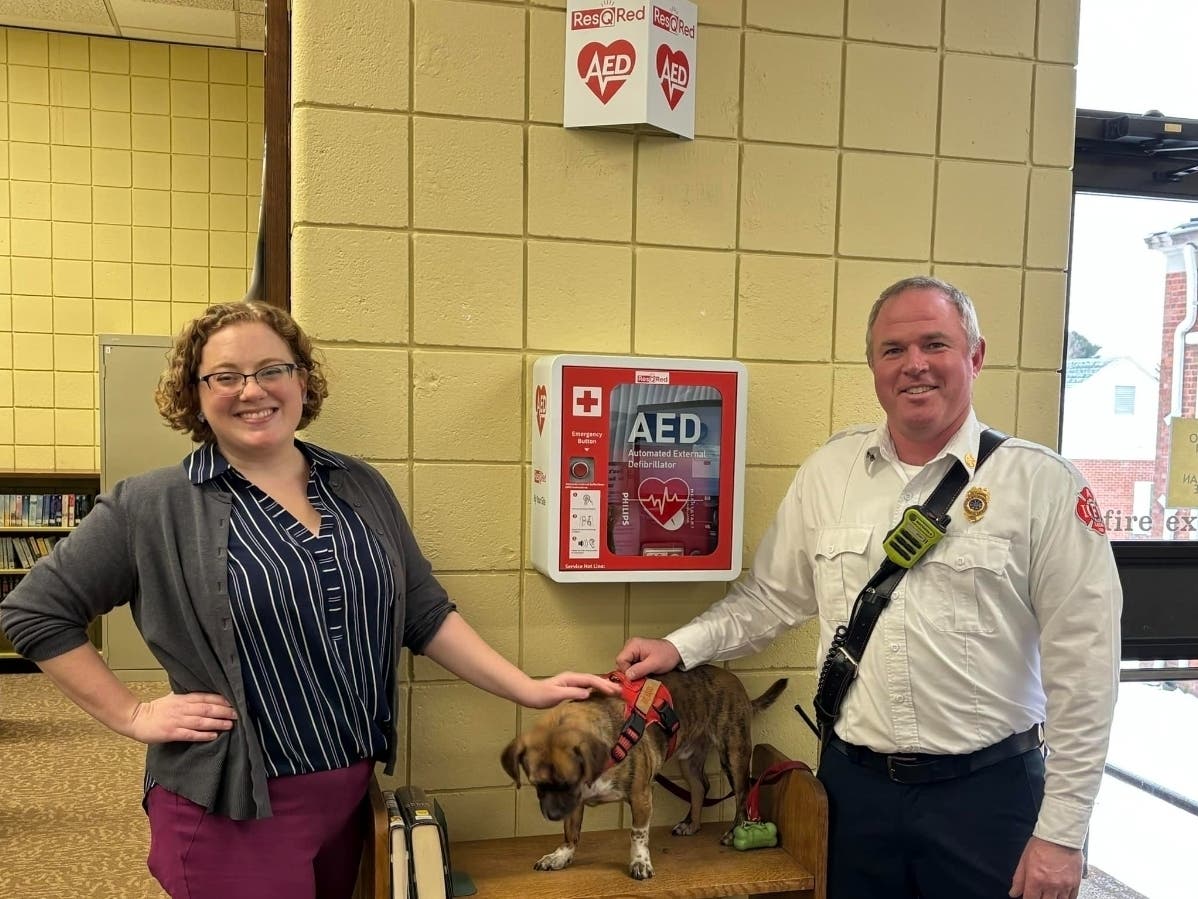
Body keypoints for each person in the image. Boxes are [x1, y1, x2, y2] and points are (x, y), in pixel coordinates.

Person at [0, 301, 619, 899]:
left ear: (301, 379)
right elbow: (34, 612)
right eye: (225, 376)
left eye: (272, 369)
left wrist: (526, 688)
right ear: (195, 392)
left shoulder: (358, 484)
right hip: (234, 809)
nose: (252, 390)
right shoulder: (153, 505)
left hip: (348, 797)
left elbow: (423, 612)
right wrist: (132, 715)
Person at [617, 277, 1121, 899]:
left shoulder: (1042, 485)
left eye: (935, 344)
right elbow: (770, 598)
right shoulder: (830, 473)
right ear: (874, 367)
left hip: (989, 799)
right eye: (893, 350)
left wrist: (1063, 834)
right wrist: (678, 647)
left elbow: (1086, 669)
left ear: (975, 356)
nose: (915, 365)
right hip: (855, 793)